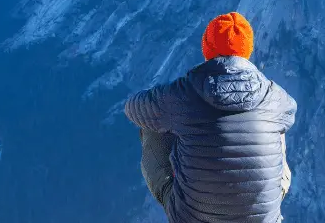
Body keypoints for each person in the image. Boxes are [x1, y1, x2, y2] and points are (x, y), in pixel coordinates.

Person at [124, 12, 296, 223]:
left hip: (192, 218)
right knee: (275, 127)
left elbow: (133, 109)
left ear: (206, 49)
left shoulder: (183, 93)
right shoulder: (275, 96)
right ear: (247, 51)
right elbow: (290, 112)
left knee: (153, 124)